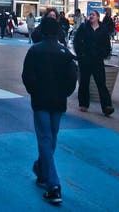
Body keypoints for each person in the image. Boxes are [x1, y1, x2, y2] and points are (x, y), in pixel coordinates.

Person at [22, 15, 78, 206]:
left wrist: (34, 91)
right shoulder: (64, 52)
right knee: (51, 138)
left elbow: (27, 76)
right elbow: (72, 78)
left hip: (40, 100)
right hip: (58, 101)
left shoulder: (35, 50)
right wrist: (64, 93)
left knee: (45, 139)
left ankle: (52, 183)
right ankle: (43, 171)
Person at [73, 8, 114, 116]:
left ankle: (107, 106)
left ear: (97, 17)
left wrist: (104, 54)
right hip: (85, 59)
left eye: (93, 15)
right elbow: (76, 41)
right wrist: (80, 54)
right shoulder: (84, 27)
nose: (91, 16)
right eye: (90, 14)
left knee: (101, 83)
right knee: (84, 82)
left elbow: (107, 44)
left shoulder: (103, 29)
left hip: (97, 60)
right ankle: (83, 104)